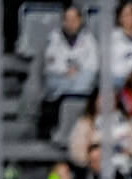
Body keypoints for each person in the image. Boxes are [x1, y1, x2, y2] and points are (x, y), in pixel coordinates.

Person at [41, 5, 98, 139]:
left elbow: (92, 65)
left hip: (80, 84)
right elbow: (51, 64)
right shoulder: (53, 38)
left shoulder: (89, 39)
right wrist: (66, 70)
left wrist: (74, 74)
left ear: (80, 20)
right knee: (53, 82)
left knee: (86, 81)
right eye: (67, 19)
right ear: (63, 21)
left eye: (74, 19)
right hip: (59, 84)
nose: (70, 22)